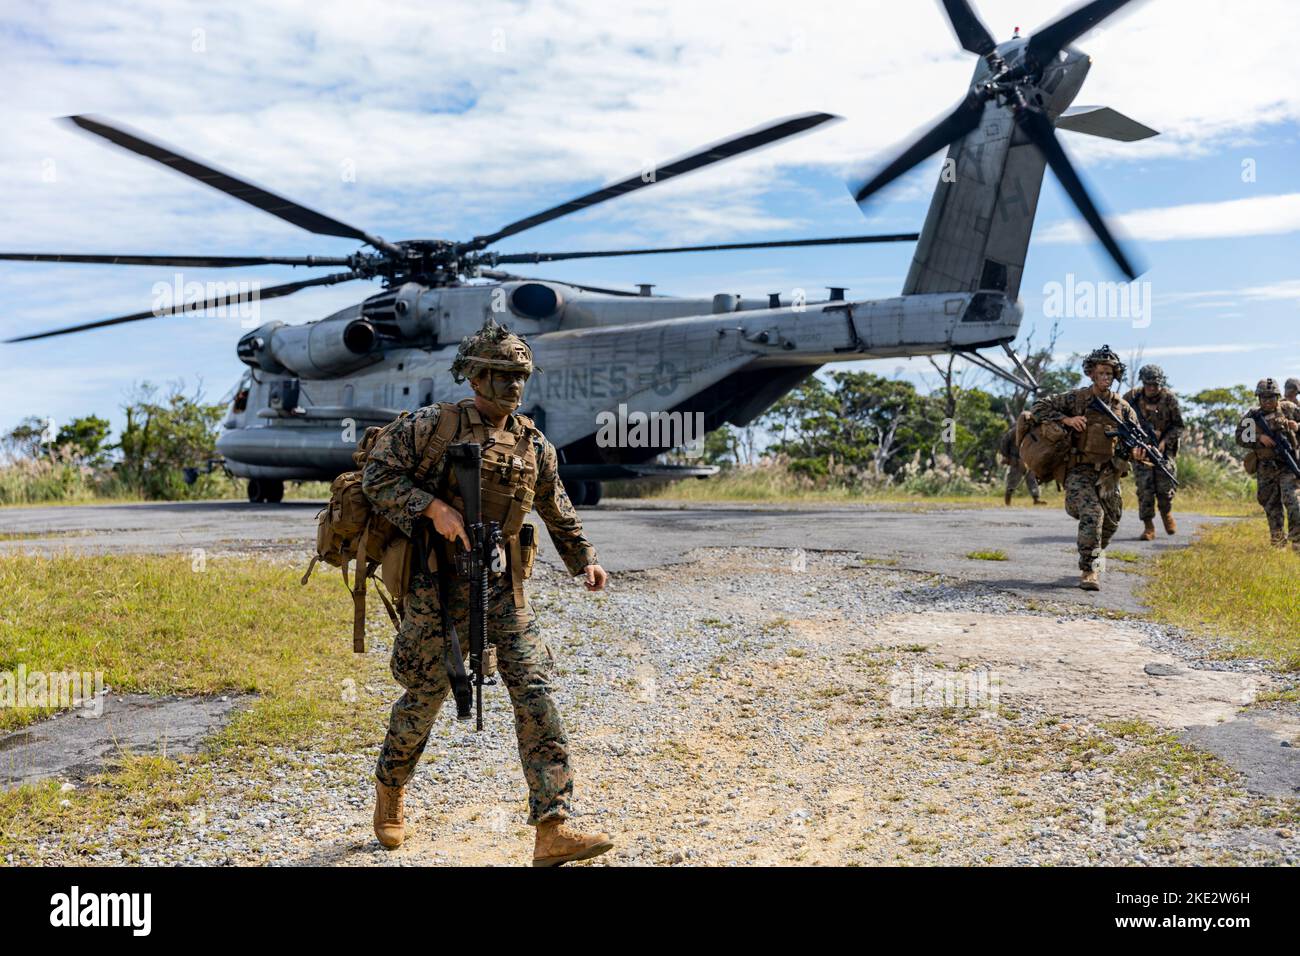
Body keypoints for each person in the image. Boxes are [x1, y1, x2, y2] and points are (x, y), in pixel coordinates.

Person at [361, 319, 614, 866]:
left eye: (519, 376)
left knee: (534, 688)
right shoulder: (434, 426)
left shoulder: (532, 443)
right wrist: (434, 509)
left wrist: (585, 561)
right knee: (427, 692)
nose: (513, 386)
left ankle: (552, 826)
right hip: (435, 580)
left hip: (501, 583)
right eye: (501, 375)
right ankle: (391, 789)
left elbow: (557, 506)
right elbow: (376, 477)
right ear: (475, 375)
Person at [1029, 345, 1147, 591]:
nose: (1106, 378)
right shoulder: (1075, 399)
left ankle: (1093, 553)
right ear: (1091, 374)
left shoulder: (1123, 408)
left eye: (1110, 374)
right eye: (1101, 373)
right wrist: (1066, 419)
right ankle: (1089, 571)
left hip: (1108, 473)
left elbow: (1135, 441)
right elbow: (1039, 408)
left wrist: (1137, 453)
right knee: (1094, 515)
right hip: (1078, 470)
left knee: (1112, 522)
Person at [1236, 378, 1300, 550]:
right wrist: (1259, 438)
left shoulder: (1289, 409)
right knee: (1272, 506)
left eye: (1271, 397)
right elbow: (1240, 436)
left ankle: (1297, 542)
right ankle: (1278, 543)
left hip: (1287, 465)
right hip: (1265, 467)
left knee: (1294, 501)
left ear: (1277, 397)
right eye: (1263, 398)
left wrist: (1297, 427)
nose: (1267, 401)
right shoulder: (1252, 416)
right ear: (1258, 398)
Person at [1122, 364, 1184, 540]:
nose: (1152, 388)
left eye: (1156, 384)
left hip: (1163, 452)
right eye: (1148, 384)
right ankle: (1148, 527)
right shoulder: (1132, 398)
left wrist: (1164, 442)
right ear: (1143, 383)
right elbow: (1121, 421)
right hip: (1140, 451)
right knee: (1144, 489)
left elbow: (1178, 426)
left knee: (1165, 488)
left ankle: (1166, 513)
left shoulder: (1169, 399)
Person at [998, 424, 1044, 505]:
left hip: (1028, 460)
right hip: (1016, 460)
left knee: (1032, 480)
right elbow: (1004, 444)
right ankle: (1007, 502)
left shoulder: (1033, 433)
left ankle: (1036, 499)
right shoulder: (1013, 432)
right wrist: (1007, 457)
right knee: (1012, 481)